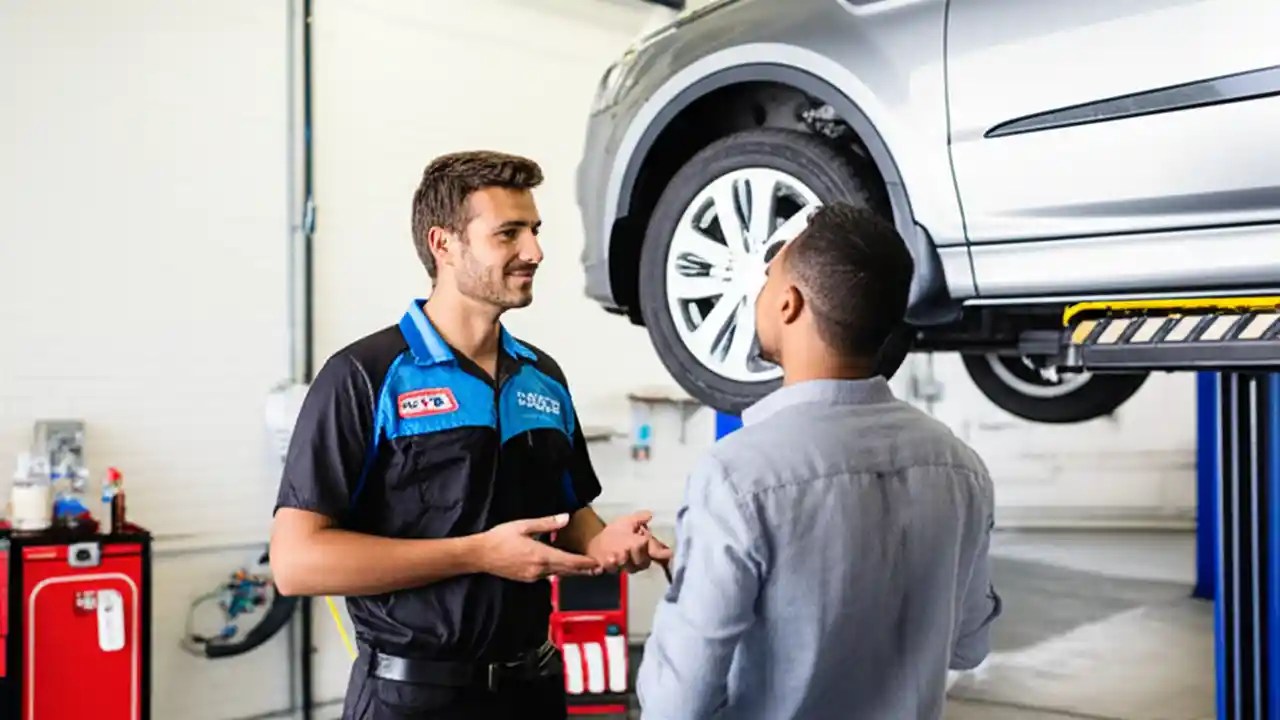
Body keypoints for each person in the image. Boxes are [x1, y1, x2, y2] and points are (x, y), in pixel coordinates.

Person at [270, 150, 670, 720]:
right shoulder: (366, 376)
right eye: (508, 233)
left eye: (534, 230)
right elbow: (297, 563)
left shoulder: (543, 377)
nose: (534, 251)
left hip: (532, 689)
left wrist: (604, 544)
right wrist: (477, 554)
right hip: (410, 699)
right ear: (444, 244)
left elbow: (568, 512)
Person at [635, 203, 1001, 720]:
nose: (759, 291)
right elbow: (969, 646)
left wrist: (695, 589)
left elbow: (678, 704)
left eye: (767, 276)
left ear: (789, 303)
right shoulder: (960, 467)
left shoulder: (738, 477)